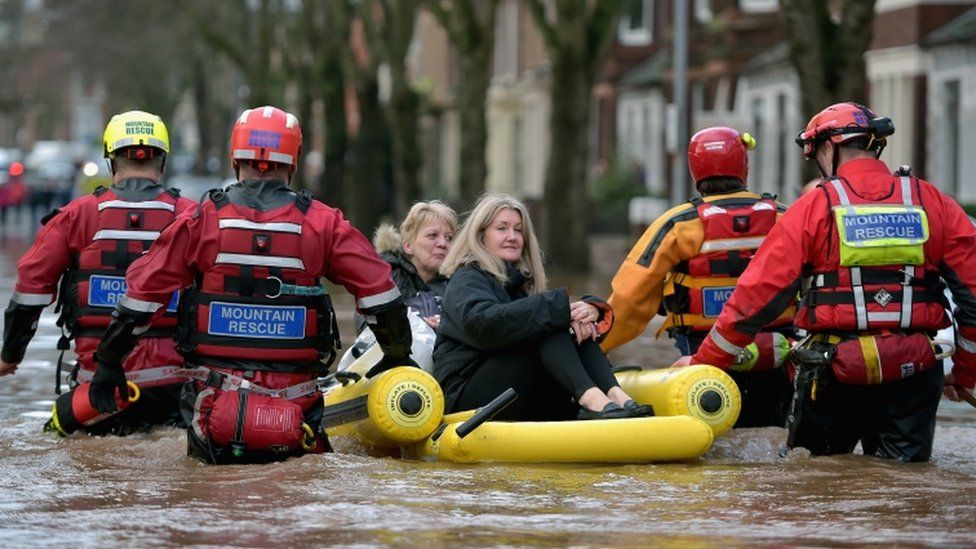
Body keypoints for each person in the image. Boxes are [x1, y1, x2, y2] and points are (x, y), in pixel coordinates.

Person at [88, 105, 414, 464]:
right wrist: (398, 356)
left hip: (212, 405)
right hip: (296, 403)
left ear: (234, 159)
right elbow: (382, 296)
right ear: (293, 162)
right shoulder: (325, 224)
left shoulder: (200, 221)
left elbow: (141, 299)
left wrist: (108, 363)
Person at [685, 102, 976, 462]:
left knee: (812, 480)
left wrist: (705, 363)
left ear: (827, 148)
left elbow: (756, 299)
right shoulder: (932, 202)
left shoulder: (814, 207)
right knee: (902, 488)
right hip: (914, 372)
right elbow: (972, 296)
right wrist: (964, 372)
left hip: (833, 373)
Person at [0, 111, 195, 434]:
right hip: (173, 390)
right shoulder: (192, 216)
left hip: (96, 391)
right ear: (162, 160)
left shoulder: (76, 216)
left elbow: (31, 289)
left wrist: (10, 354)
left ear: (110, 160)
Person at [600, 127, 794, 428]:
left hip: (703, 351)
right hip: (779, 348)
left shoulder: (679, 224)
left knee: (717, 430)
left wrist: (597, 348)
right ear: (744, 165)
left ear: (694, 170)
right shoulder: (785, 217)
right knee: (774, 429)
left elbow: (630, 297)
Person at [433, 193, 652, 421]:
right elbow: (484, 325)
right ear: (480, 236)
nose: (513, 236)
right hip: (466, 396)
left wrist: (589, 310)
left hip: (514, 388)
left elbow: (538, 315)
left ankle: (615, 395)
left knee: (560, 322)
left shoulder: (519, 283)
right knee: (546, 322)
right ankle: (591, 401)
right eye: (502, 228)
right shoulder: (467, 277)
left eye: (518, 230)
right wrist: (558, 311)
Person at [370, 200, 457, 329]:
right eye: (432, 235)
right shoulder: (387, 276)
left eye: (449, 237)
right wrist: (417, 327)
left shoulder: (456, 283)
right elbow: (368, 324)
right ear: (408, 246)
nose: (443, 244)